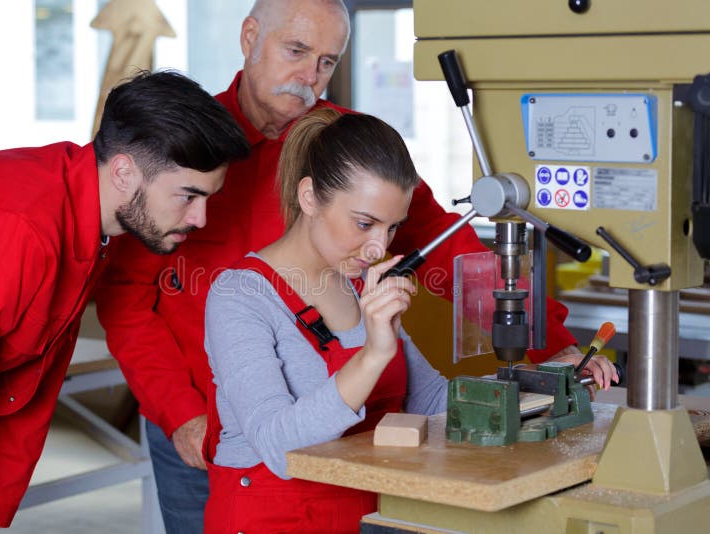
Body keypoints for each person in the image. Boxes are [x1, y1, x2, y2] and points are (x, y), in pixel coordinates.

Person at [94, 1, 618, 531]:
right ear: (249, 36)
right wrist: (179, 412)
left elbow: (448, 249)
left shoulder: (348, 152)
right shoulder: (184, 147)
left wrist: (548, 342)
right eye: (296, 51)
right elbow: (125, 299)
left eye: (327, 61)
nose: (309, 77)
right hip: (201, 424)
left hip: (337, 440)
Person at [0, 70, 249, 534]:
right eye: (188, 195)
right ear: (125, 170)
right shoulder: (18, 232)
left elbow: (25, 388)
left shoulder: (88, 224)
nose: (201, 218)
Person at [203, 108, 449, 532]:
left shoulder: (359, 286)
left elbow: (432, 404)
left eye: (392, 229)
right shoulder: (239, 296)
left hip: (369, 519)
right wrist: (373, 355)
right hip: (271, 519)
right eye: (364, 224)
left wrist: (533, 394)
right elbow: (279, 448)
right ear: (310, 197)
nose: (378, 248)